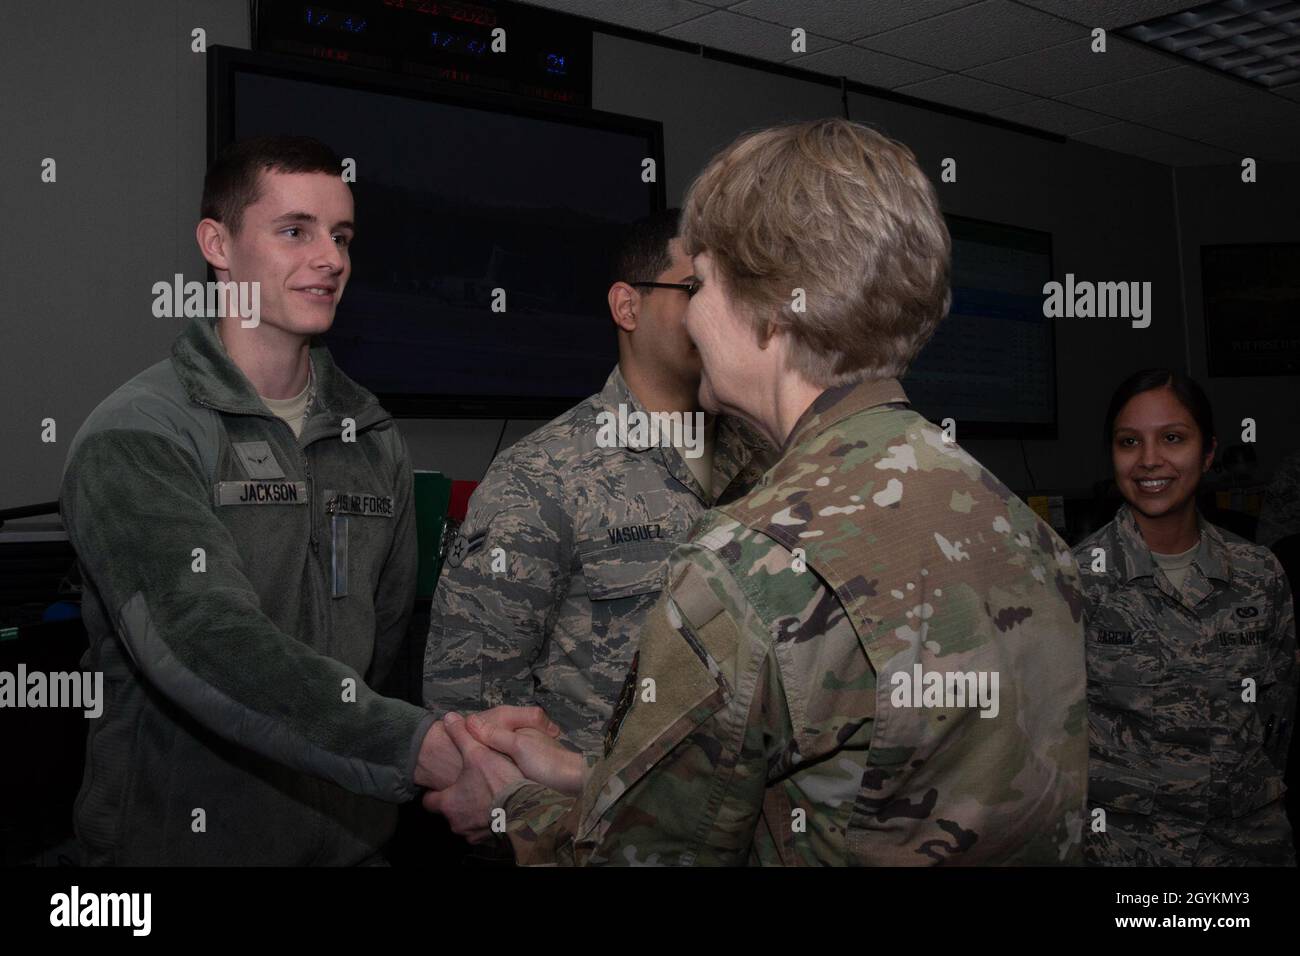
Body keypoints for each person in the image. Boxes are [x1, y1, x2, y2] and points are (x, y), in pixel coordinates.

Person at [425, 118, 1089, 865]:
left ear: (772, 309)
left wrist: (514, 803)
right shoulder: (1015, 523)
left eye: (702, 284)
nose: (695, 320)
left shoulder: (750, 563)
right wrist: (594, 776)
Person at [60, 135, 551, 866]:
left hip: (351, 843)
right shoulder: (138, 434)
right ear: (217, 244)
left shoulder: (372, 436)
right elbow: (201, 641)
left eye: (342, 236)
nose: (332, 259)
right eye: (296, 231)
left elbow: (382, 644)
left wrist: (445, 745)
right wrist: (421, 749)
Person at [423, 209, 773, 757]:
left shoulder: (771, 462)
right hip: (595, 828)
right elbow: (472, 710)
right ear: (627, 307)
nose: (720, 316)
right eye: (696, 289)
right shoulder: (542, 475)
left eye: (735, 295)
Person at [1072, 369, 1296, 866]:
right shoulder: (1073, 580)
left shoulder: (1259, 574)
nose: (1150, 459)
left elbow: (1278, 716)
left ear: (1209, 452)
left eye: (1173, 438)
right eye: (1129, 441)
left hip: (1246, 844)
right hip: (1124, 850)